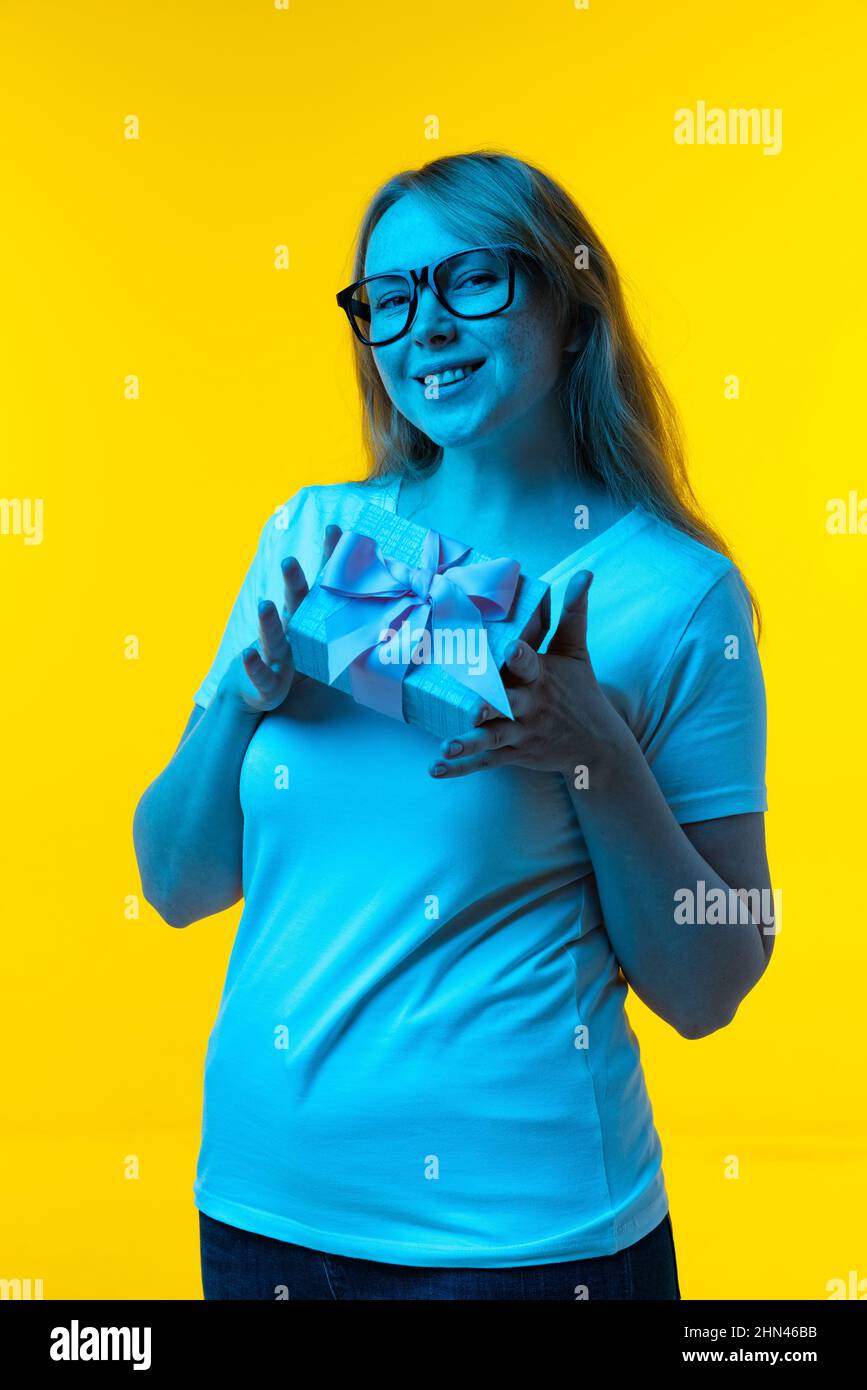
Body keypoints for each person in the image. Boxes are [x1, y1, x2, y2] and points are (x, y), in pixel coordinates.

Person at [133, 150, 774, 1301]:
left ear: (571, 310)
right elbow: (176, 881)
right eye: (390, 298)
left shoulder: (671, 596)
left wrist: (598, 756)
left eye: (471, 279)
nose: (424, 324)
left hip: (520, 1247)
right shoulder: (313, 539)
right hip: (258, 1212)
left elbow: (712, 981)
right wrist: (242, 700)